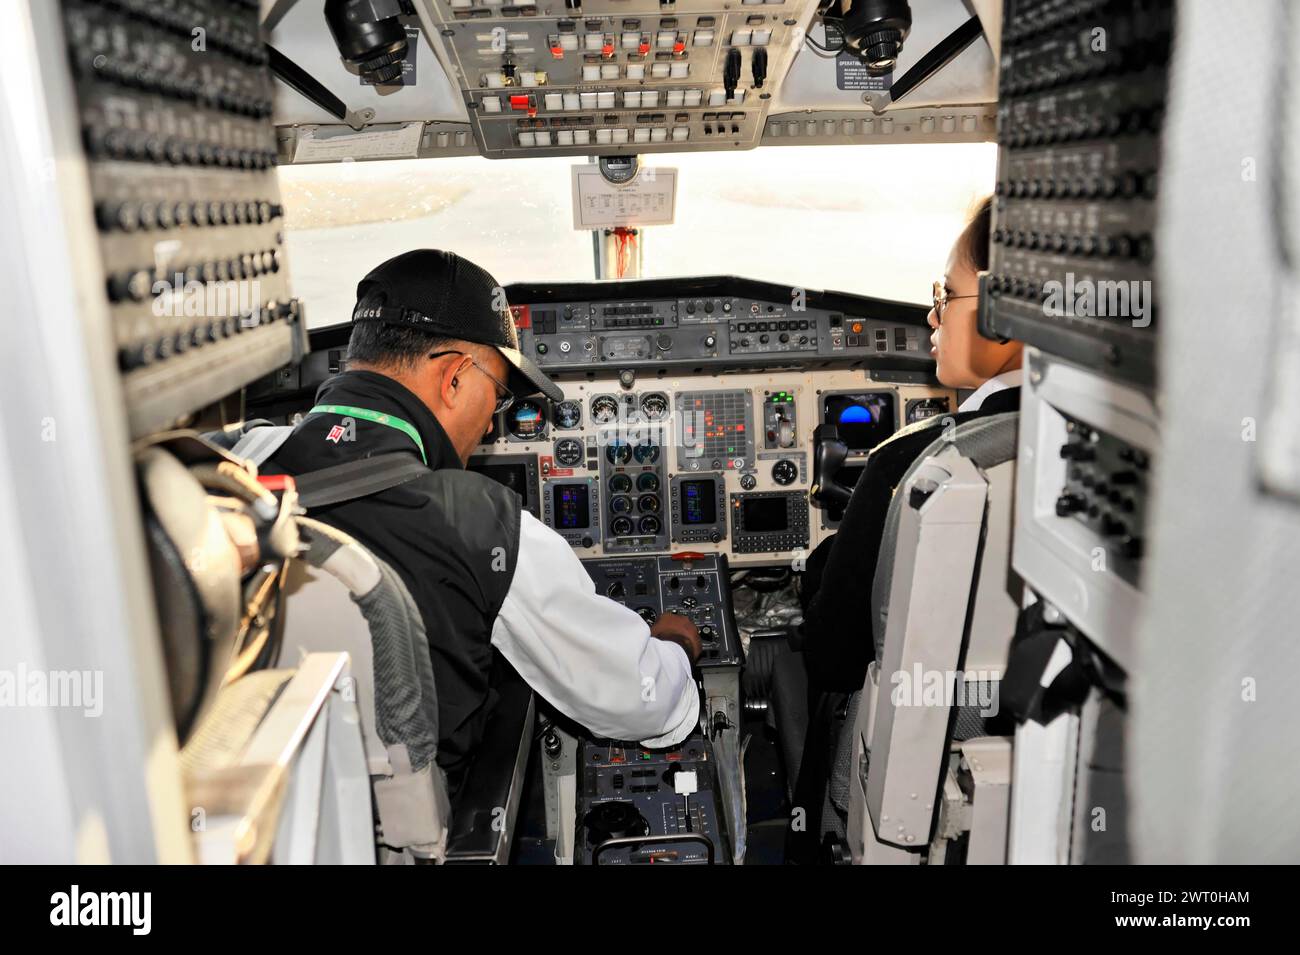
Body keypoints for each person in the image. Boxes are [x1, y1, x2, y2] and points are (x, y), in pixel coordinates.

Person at [263, 250, 702, 789]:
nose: (492, 429)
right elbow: (641, 700)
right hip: (417, 831)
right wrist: (675, 646)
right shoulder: (480, 524)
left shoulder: (233, 464)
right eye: (496, 397)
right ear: (453, 379)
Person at [787, 196, 1021, 859]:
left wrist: (828, 570)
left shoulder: (911, 462)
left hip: (906, 788)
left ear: (1004, 311)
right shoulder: (1120, 455)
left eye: (947, 294)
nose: (931, 315)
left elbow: (834, 654)